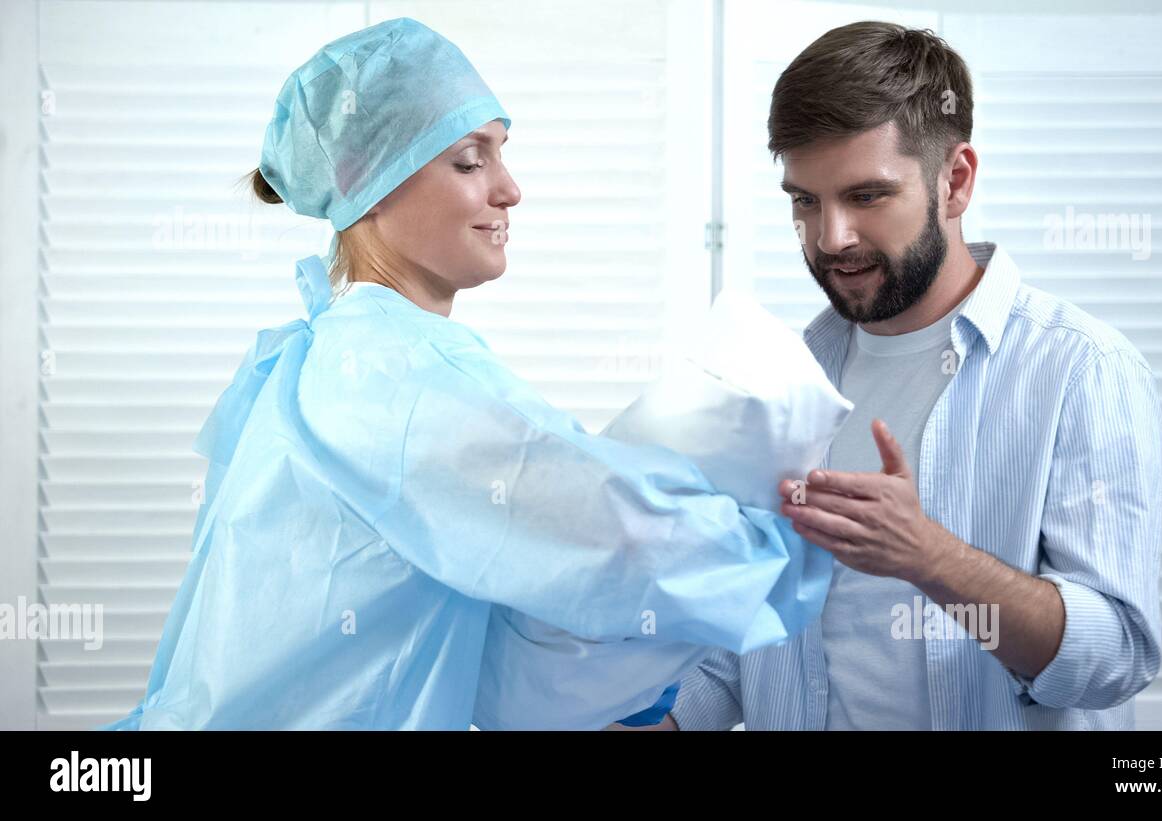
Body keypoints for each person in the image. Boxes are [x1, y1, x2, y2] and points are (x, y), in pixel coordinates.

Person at [102, 17, 836, 730]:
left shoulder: (337, 351)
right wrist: (804, 541)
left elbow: (500, 622)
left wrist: (617, 675)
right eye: (469, 159)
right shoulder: (401, 377)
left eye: (502, 153)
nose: (509, 189)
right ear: (369, 182)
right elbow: (620, 534)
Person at [660, 22, 1162, 731]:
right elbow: (739, 645)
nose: (830, 237)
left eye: (866, 196)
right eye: (805, 200)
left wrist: (930, 557)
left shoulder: (1081, 370)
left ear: (954, 181)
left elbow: (1115, 654)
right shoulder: (783, 377)